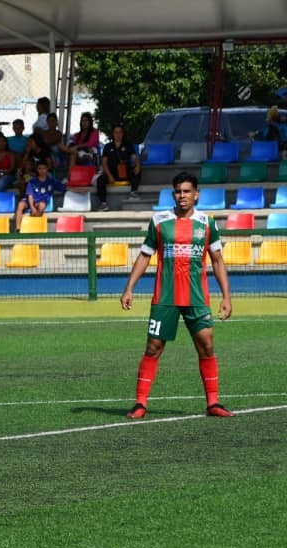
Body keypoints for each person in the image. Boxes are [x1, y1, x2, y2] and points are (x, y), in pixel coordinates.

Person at [120, 172, 234, 420]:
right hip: (165, 297)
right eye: (178, 192)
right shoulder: (160, 221)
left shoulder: (207, 223)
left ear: (196, 194)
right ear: (174, 194)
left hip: (196, 297)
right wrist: (129, 287)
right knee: (153, 348)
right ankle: (140, 403)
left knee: (207, 347)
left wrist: (226, 296)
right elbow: (144, 255)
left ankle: (213, 402)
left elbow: (217, 260)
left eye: (186, 191)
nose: (182, 196)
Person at [97, 123, 141, 210]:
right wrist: (109, 176)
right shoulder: (107, 146)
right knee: (101, 179)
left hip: (125, 172)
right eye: (116, 132)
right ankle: (103, 203)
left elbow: (134, 157)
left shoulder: (128, 145)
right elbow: (104, 163)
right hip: (112, 173)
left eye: (120, 132)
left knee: (137, 170)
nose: (118, 134)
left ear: (123, 133)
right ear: (113, 134)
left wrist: (138, 166)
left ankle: (133, 193)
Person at [15, 159, 66, 229]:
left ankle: (34, 226)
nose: (42, 170)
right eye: (39, 168)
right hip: (30, 201)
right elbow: (30, 195)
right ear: (37, 170)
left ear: (47, 169)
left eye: (44, 168)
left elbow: (65, 188)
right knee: (20, 204)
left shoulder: (52, 181)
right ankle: (18, 228)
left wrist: (79, 189)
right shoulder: (32, 181)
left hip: (41, 202)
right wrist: (32, 208)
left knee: (42, 205)